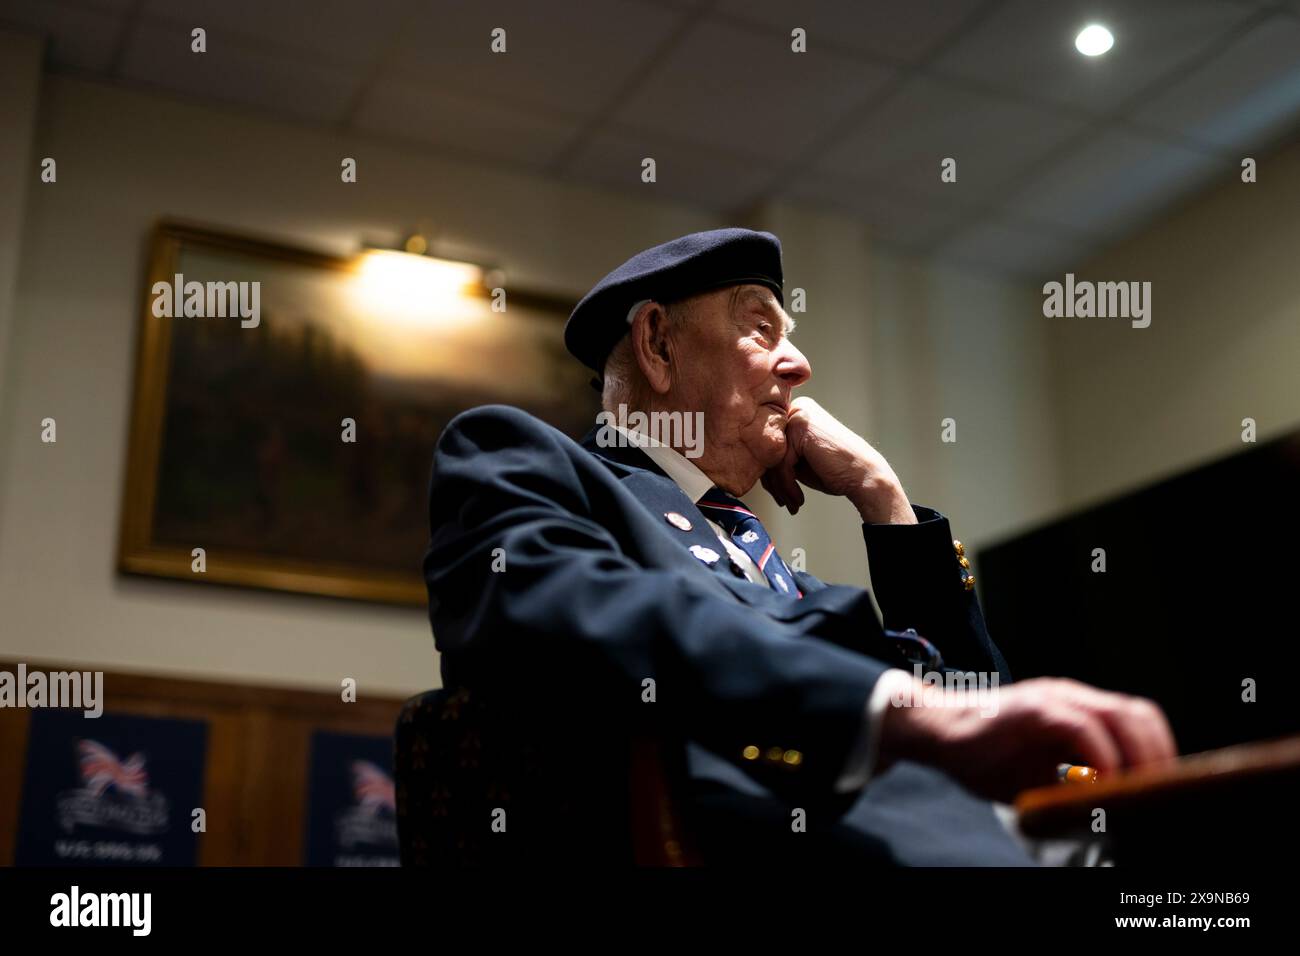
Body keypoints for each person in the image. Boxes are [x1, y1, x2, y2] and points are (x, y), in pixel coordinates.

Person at [422, 227, 1177, 865]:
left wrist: (883, 501)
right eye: (761, 330)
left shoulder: (799, 592)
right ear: (656, 343)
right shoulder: (520, 458)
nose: (801, 366)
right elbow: (562, 613)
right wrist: (893, 709)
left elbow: (979, 703)